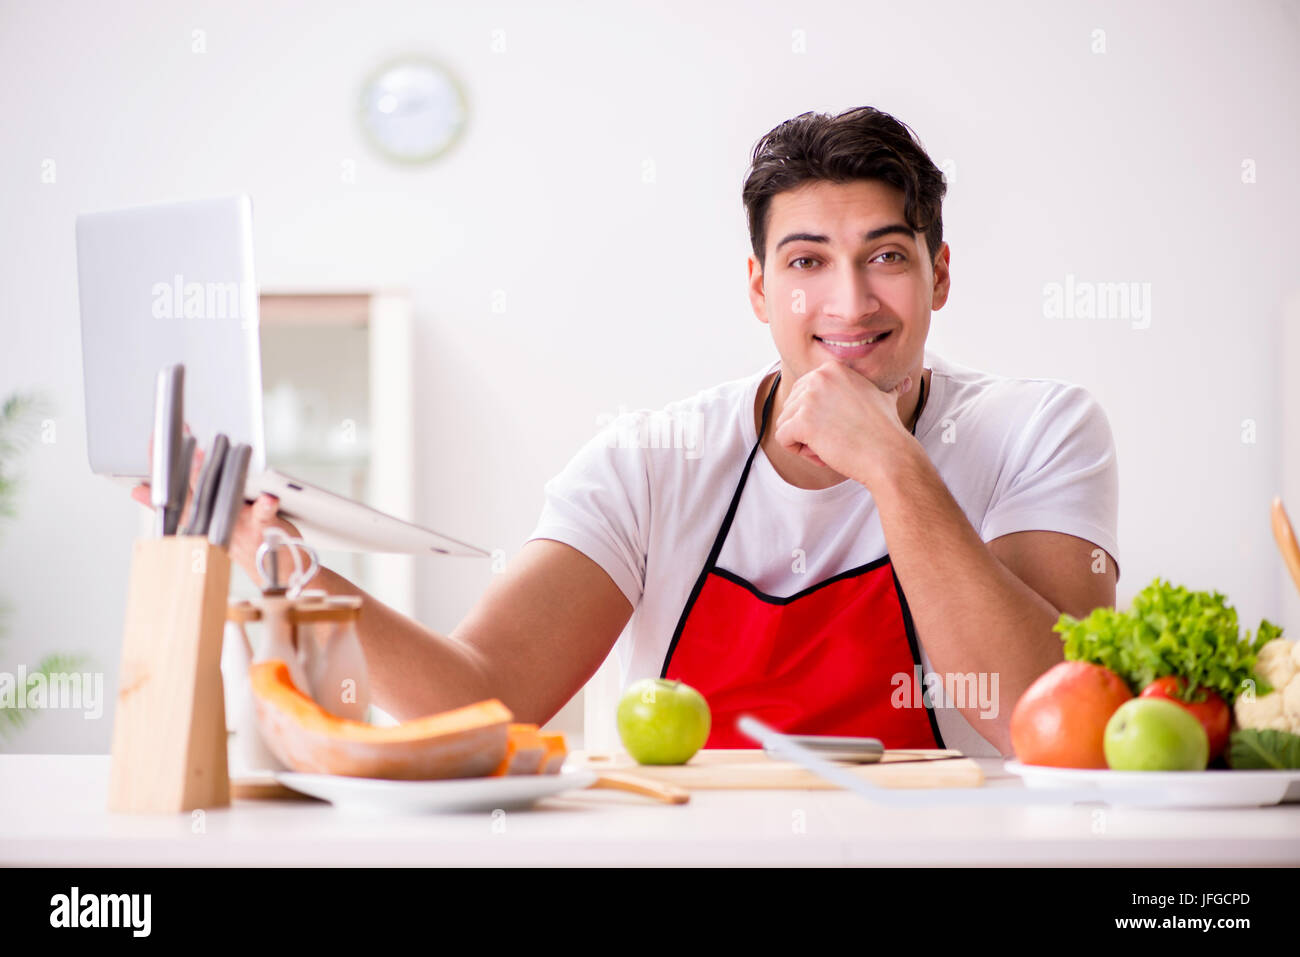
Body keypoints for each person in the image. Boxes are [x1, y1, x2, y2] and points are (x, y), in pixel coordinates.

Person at [137, 106, 1119, 758]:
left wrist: (893, 470)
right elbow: (484, 700)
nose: (848, 301)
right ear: (758, 288)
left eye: (887, 256)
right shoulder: (651, 462)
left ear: (939, 275)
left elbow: (1048, 719)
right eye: (807, 261)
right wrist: (287, 563)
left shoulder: (1036, 430)